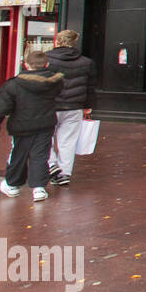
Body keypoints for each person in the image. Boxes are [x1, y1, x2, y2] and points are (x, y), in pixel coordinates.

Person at [0, 48, 65, 201]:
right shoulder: (55, 83)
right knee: (41, 155)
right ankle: (39, 188)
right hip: (45, 123)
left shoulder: (13, 85)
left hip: (21, 125)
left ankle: (12, 184)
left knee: (18, 154)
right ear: (46, 64)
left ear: (26, 64)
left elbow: (0, 108)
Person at [45, 29, 97, 186]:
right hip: (73, 107)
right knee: (68, 141)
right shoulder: (87, 62)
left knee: (44, 137)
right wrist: (88, 106)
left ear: (57, 41)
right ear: (74, 43)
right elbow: (90, 87)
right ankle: (64, 173)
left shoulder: (47, 59)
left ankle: (51, 164)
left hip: (49, 106)